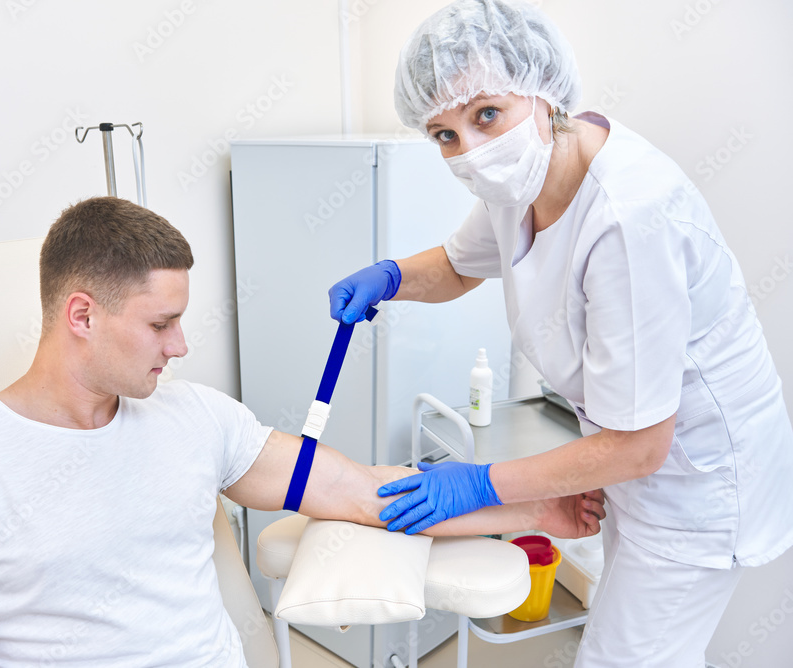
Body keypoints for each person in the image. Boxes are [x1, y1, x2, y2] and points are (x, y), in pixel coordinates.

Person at [0, 196, 603, 668]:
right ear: (81, 315)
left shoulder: (195, 418)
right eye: (160, 324)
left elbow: (367, 495)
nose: (181, 346)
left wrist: (535, 511)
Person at [328, 1, 793, 666]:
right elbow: (460, 265)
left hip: (699, 483)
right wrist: (389, 276)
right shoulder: (522, 172)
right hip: (633, 457)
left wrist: (482, 483)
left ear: (544, 91)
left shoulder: (629, 219)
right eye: (444, 134)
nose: (469, 151)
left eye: (486, 113)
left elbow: (638, 447)